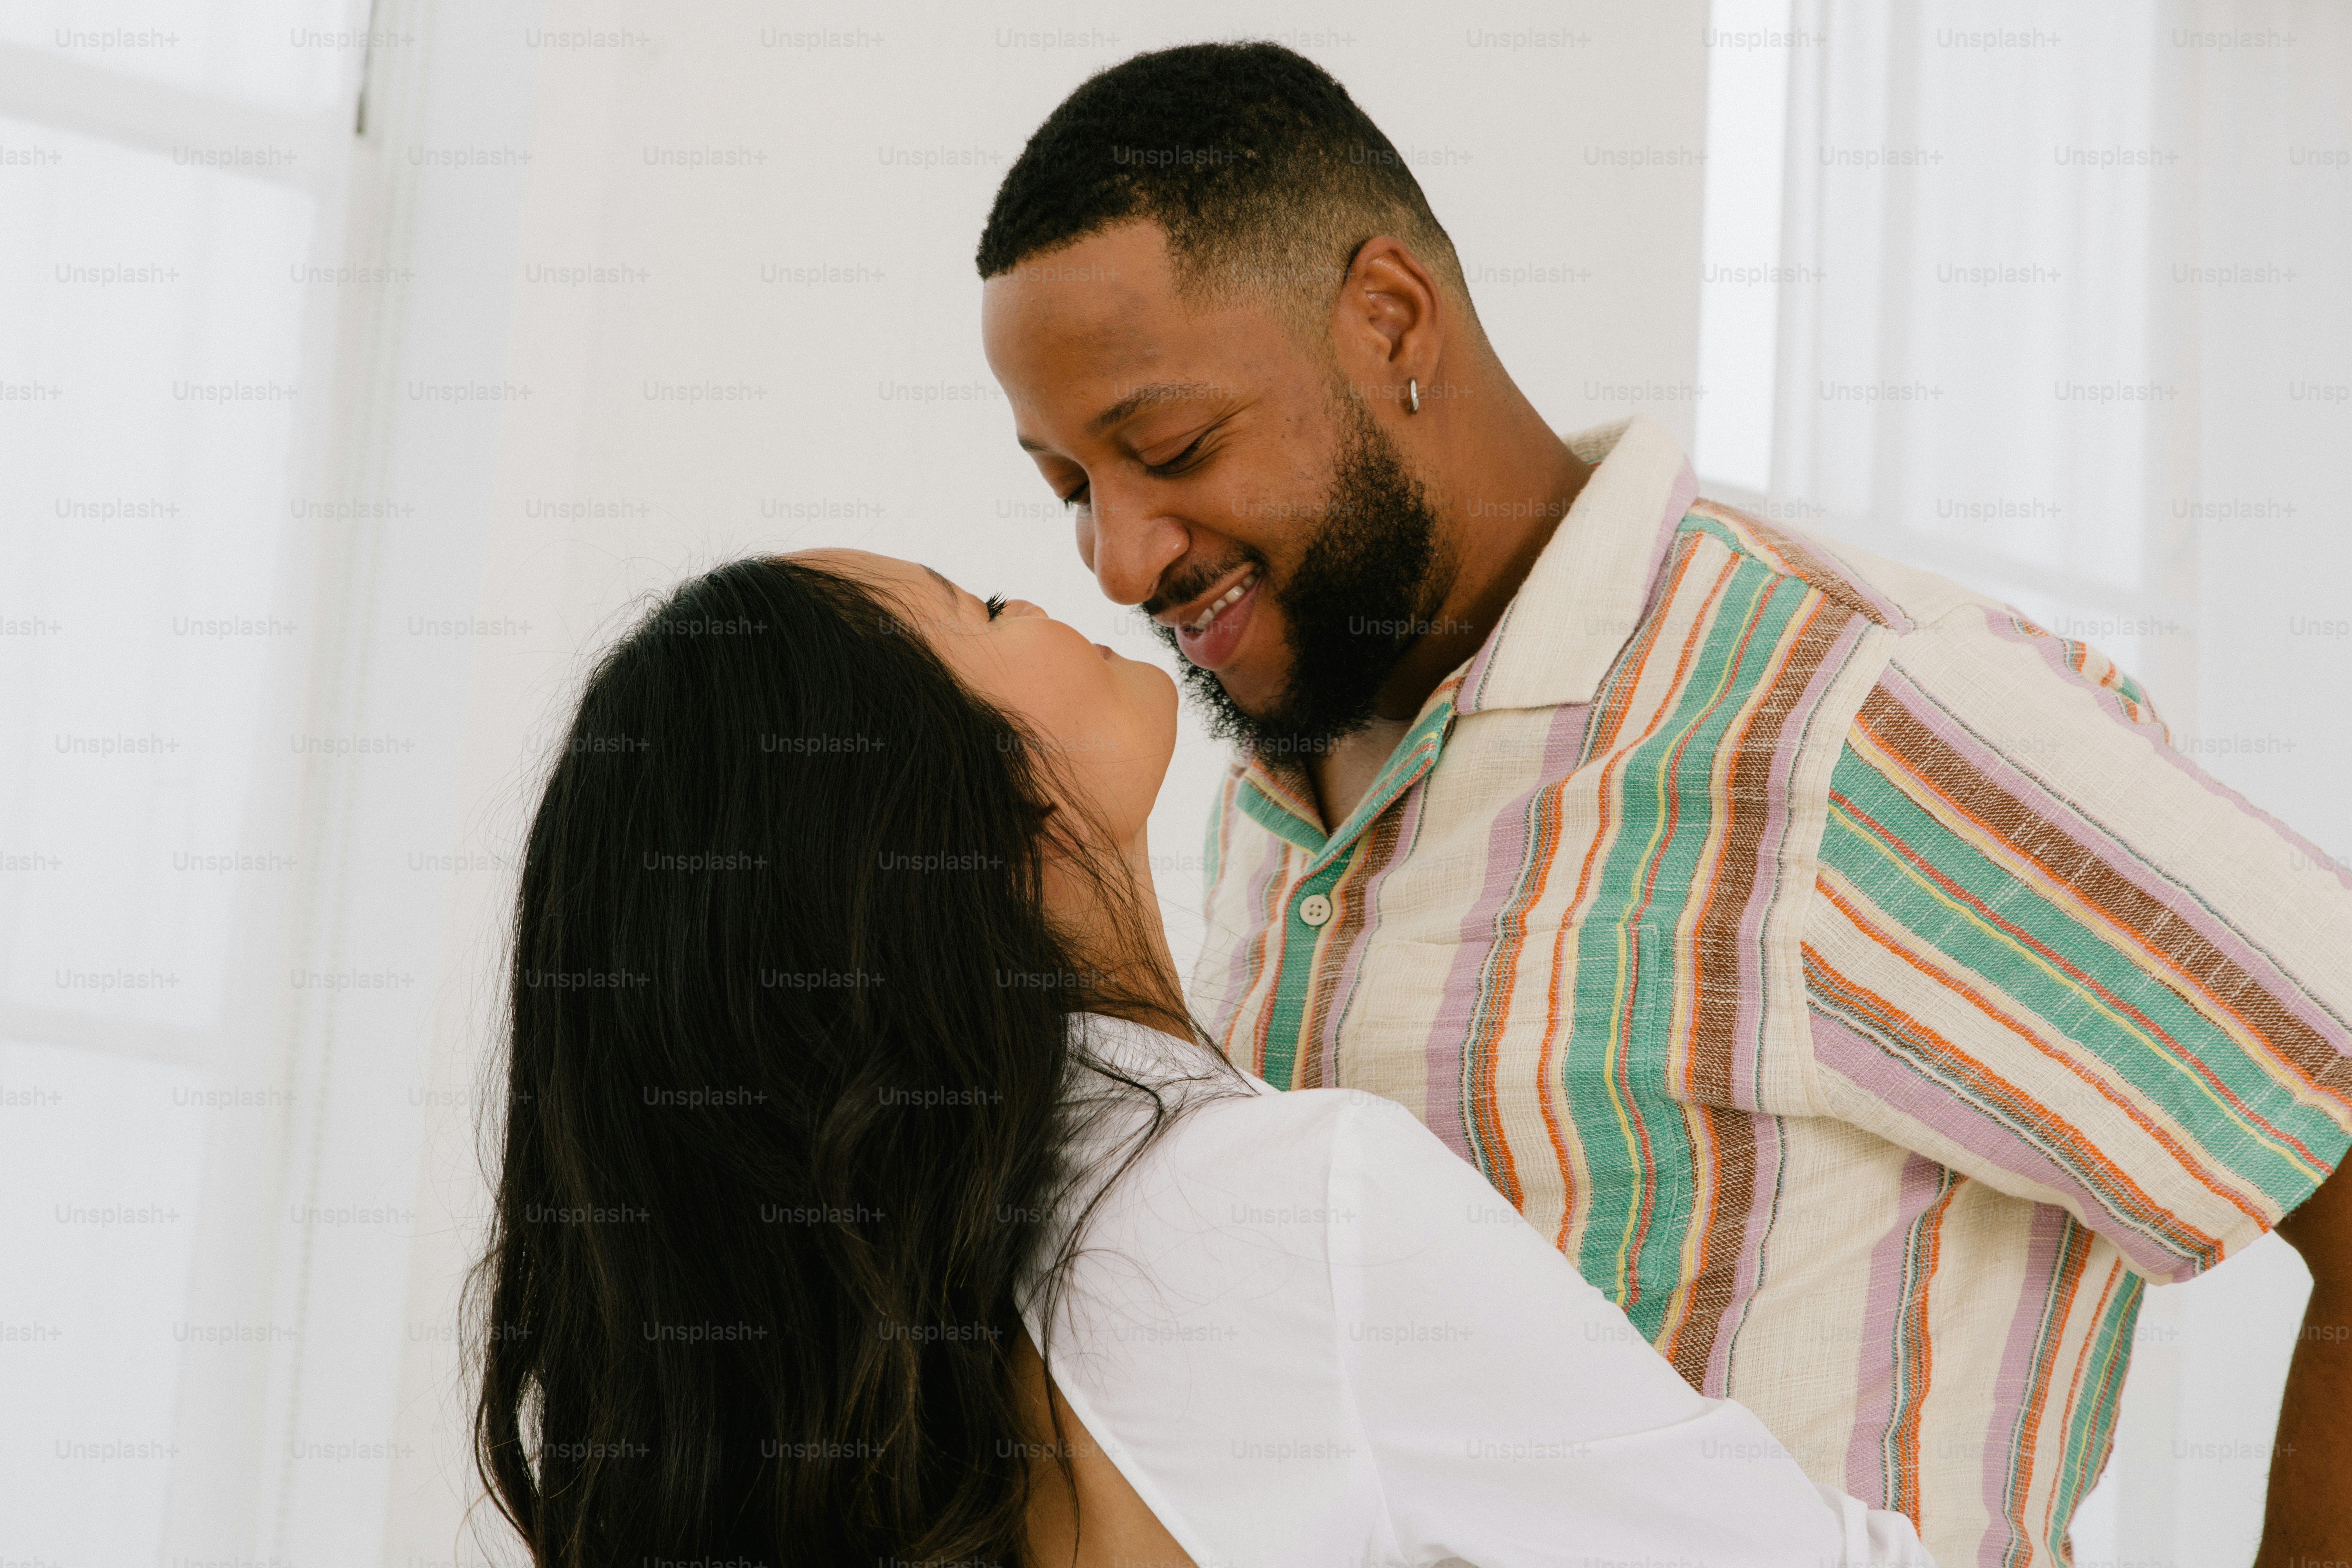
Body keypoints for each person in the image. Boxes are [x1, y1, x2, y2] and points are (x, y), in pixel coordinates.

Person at [972, 41, 2352, 1568]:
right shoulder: (1275, 771)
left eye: (1169, 450)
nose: (1117, 558)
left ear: (1387, 320)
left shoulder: (1850, 714)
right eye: (1068, 487)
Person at [468, 552, 1936, 1566]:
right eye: (981, 606)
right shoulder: (1279, 1206)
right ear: (955, 803)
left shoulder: (877, 1341)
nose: (1064, 586)